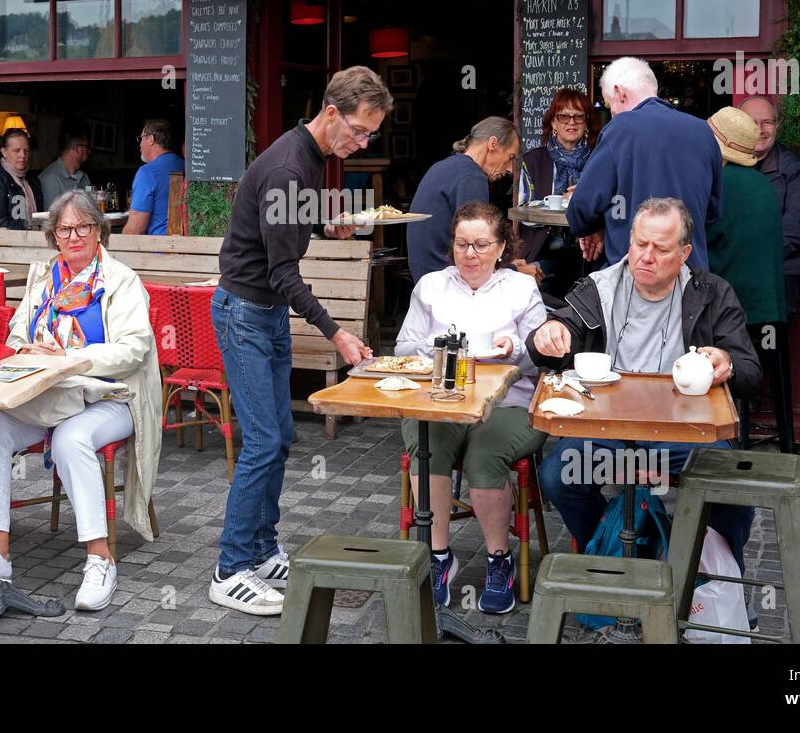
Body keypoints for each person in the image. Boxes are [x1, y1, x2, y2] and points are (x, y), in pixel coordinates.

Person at [209, 65, 391, 615]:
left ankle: (262, 551)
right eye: (359, 131)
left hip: (261, 313)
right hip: (246, 312)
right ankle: (230, 567)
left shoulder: (308, 156)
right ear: (332, 113)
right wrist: (336, 333)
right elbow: (284, 272)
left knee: (280, 436)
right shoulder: (292, 165)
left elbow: (280, 224)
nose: (361, 144)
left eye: (371, 136)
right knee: (263, 442)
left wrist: (321, 223)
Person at [0, 190, 161, 610]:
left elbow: (133, 349)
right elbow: (15, 338)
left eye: (84, 226)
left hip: (111, 395)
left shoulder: (121, 280)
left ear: (100, 231)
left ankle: (100, 559)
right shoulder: (45, 280)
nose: (74, 236)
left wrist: (69, 358)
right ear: (54, 236)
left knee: (70, 440)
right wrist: (31, 351)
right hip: (51, 393)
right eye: (65, 229)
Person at [528, 198, 759, 573]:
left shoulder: (711, 294)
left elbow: (751, 371)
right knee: (558, 476)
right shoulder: (599, 287)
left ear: (684, 253)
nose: (646, 256)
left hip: (684, 433)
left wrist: (726, 363)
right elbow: (560, 331)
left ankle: (724, 584)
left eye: (661, 248)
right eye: (640, 244)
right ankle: (615, 558)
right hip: (610, 431)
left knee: (731, 488)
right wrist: (547, 334)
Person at [396, 201, 548, 614]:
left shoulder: (520, 288)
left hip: (509, 401)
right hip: (441, 397)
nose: (471, 254)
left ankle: (500, 560)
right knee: (428, 443)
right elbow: (404, 348)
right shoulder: (431, 285)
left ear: (501, 248)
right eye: (462, 244)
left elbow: (543, 355)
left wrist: (516, 347)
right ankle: (440, 556)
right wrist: (439, 346)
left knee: (485, 454)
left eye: (482, 245)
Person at [566, 57, 722, 269]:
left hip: (638, 275)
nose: (612, 115)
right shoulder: (704, 131)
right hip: (689, 273)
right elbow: (712, 213)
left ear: (620, 92)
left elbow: (581, 211)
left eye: (610, 106)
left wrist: (598, 225)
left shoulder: (619, 129)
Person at [705, 106, 790, 450]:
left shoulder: (718, 186)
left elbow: (697, 246)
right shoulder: (762, 183)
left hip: (732, 313)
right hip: (769, 310)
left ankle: (701, 443)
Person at [406, 116, 520, 283]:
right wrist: (514, 269)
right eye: (510, 157)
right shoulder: (472, 177)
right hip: (449, 284)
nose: (510, 169)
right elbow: (478, 245)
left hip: (426, 280)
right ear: (493, 144)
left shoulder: (442, 166)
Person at [513, 87, 599, 296]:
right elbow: (524, 213)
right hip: (545, 247)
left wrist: (585, 196)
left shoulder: (600, 160)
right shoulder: (533, 161)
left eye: (578, 117)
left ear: (586, 123)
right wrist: (560, 202)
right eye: (564, 116)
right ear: (553, 122)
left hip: (589, 250)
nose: (571, 122)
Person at [743, 96, 800, 313]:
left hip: (780, 273)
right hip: (734, 272)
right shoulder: (725, 166)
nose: (760, 129)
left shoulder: (796, 169)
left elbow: (798, 227)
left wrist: (750, 257)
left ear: (778, 126)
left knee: (768, 342)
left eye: (767, 122)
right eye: (752, 122)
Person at [124, 119, 183, 236]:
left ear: (151, 139)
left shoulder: (146, 173)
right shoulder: (186, 165)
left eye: (141, 139)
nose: (139, 144)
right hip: (188, 246)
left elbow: (135, 230)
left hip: (156, 250)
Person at [0, 128, 41, 230]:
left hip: (34, 240)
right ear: (4, 152)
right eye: (16, 150)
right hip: (6, 243)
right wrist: (28, 230)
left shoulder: (33, 181)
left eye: (26, 150)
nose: (22, 155)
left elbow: (41, 219)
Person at [37, 123, 92, 207]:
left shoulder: (84, 178)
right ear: (77, 148)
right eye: (87, 146)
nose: (89, 151)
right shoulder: (49, 179)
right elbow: (53, 217)